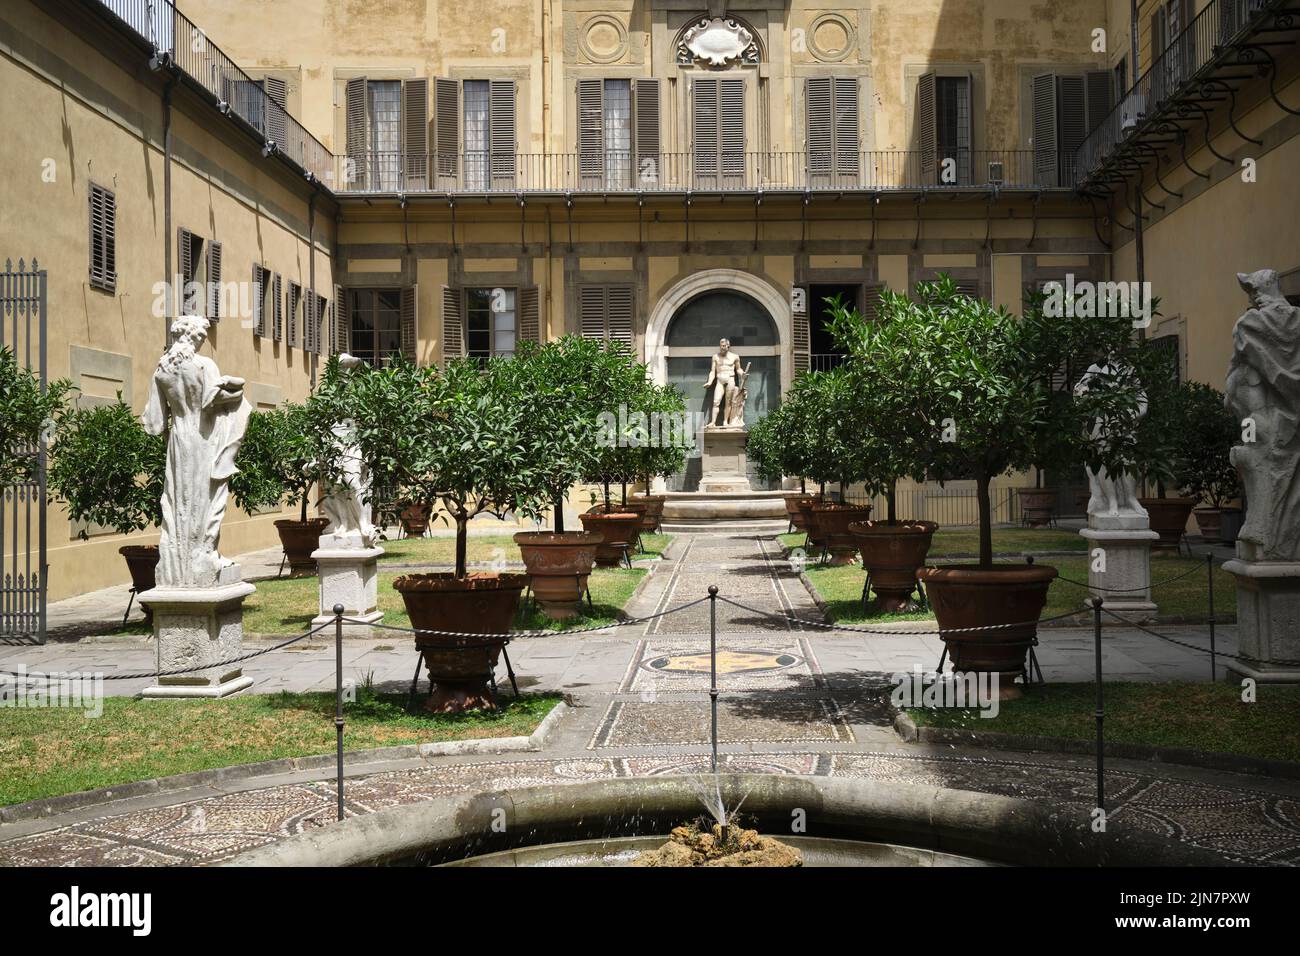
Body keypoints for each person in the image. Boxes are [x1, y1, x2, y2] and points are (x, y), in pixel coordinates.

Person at [142, 315, 251, 587]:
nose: (203, 341)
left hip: (178, 441)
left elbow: (154, 423)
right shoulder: (204, 365)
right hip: (204, 437)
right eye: (201, 336)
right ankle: (204, 553)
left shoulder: (161, 371)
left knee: (179, 498)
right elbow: (212, 401)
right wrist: (238, 394)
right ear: (190, 335)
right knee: (208, 495)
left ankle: (178, 561)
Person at [703, 338, 742, 427]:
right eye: (721, 346)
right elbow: (712, 371)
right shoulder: (715, 357)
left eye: (724, 346)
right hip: (720, 381)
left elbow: (738, 369)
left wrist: (742, 374)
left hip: (730, 379)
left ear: (728, 346)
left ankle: (725, 421)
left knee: (728, 402)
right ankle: (713, 422)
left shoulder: (735, 356)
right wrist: (709, 381)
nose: (722, 348)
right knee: (716, 402)